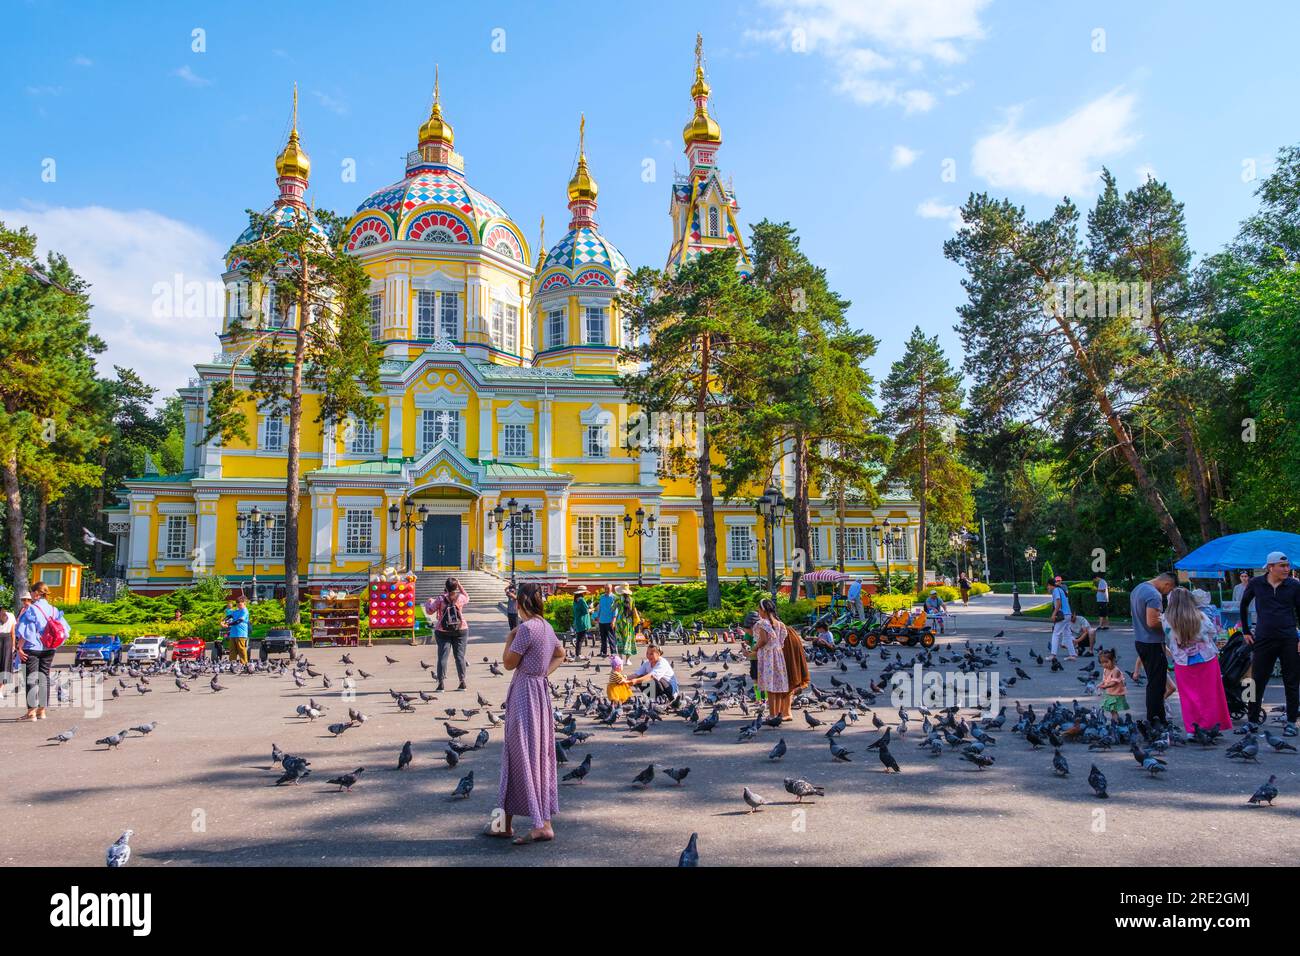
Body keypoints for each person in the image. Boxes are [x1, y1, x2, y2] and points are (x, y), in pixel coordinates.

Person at [493, 581, 564, 845]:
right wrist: (543, 673)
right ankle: (509, 824)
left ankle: (537, 825)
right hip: (539, 691)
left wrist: (509, 640)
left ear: (521, 602)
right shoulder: (546, 626)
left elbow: (509, 663)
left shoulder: (525, 629)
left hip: (524, 692)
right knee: (537, 754)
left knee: (517, 754)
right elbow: (561, 653)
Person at [1239, 552, 1300, 735]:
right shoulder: (1256, 583)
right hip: (1264, 638)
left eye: (1288, 566)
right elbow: (1243, 605)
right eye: (1282, 566)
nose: (1287, 569)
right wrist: (1246, 631)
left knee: (1291, 681)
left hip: (1289, 638)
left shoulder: (1294, 585)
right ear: (1270, 567)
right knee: (1254, 680)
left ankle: (1290, 722)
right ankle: (1251, 720)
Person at [1162, 586, 1233, 739]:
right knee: (1210, 693)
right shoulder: (1200, 616)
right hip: (1206, 658)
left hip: (1182, 661)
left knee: (1188, 696)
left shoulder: (1167, 620)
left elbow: (1168, 636)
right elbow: (1212, 632)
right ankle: (1211, 725)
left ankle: (1192, 729)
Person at [1130, 571, 1178, 727]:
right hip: (1152, 643)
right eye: (1169, 590)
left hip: (1140, 640)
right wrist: (1169, 624)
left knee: (1153, 681)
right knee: (1157, 683)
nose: (1167, 594)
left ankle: (1156, 717)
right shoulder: (1154, 595)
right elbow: (1152, 622)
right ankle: (1156, 719)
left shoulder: (1138, 589)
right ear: (1167, 584)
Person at [15, 585, 64, 721]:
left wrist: (19, 648)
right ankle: (42, 712)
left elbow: (26, 632)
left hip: (32, 648)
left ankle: (31, 712)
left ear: (37, 593)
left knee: (31, 679)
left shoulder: (31, 609)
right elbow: (64, 629)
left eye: (31, 591)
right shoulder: (54, 610)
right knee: (44, 679)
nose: (30, 594)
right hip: (49, 648)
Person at [748, 598, 791, 720]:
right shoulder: (780, 624)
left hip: (768, 656)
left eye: (759, 608)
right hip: (778, 655)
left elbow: (763, 640)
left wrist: (755, 648)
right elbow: (781, 641)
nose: (758, 611)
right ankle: (777, 714)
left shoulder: (763, 623)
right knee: (777, 686)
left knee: (770, 687)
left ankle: (772, 715)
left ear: (764, 610)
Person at [432, 577, 469, 692]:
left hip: (443, 630)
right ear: (456, 587)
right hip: (460, 629)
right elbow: (467, 597)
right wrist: (460, 585)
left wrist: (429, 602)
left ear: (446, 587)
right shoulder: (461, 598)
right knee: (460, 656)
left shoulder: (440, 599)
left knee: (442, 657)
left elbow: (429, 610)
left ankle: (441, 684)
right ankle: (462, 682)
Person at [1096, 648, 1128, 723]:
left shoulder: (1116, 671)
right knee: (1112, 710)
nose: (1104, 664)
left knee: (1113, 710)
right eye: (1102, 663)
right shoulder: (1105, 670)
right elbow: (1105, 680)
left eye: (1106, 662)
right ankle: (1116, 721)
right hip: (1110, 693)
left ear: (1113, 660)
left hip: (1116, 694)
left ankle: (1116, 722)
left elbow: (1114, 683)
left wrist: (1104, 686)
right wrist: (1101, 684)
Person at [1048, 575, 1075, 662]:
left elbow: (1058, 603)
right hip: (1068, 614)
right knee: (1067, 634)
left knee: (1055, 634)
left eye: (1048, 586)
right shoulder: (1061, 589)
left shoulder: (1055, 590)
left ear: (1050, 585)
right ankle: (1072, 655)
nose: (1047, 588)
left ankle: (1053, 655)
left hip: (1062, 615)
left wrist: (1053, 614)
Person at [224, 595, 250, 665]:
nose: (238, 605)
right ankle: (233, 665)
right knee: (232, 650)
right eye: (237, 604)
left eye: (240, 604)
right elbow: (229, 616)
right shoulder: (236, 611)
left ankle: (244, 664)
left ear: (244, 603)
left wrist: (229, 624)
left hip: (241, 634)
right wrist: (224, 621)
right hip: (233, 633)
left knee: (241, 649)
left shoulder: (245, 611)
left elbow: (239, 621)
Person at [613, 586, 638, 659]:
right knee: (628, 640)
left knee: (619, 640)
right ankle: (627, 660)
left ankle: (620, 658)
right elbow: (634, 610)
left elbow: (612, 609)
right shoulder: (632, 600)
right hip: (628, 622)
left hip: (619, 622)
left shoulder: (618, 600)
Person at [596, 583, 617, 656]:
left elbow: (615, 609)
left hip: (609, 620)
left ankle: (613, 652)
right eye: (605, 588)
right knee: (603, 638)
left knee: (611, 637)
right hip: (602, 620)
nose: (606, 590)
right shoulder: (602, 597)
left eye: (608, 588)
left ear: (611, 589)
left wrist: (614, 620)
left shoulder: (614, 597)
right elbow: (600, 607)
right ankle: (603, 652)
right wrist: (598, 616)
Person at [570, 587, 592, 658]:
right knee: (580, 639)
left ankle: (577, 654)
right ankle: (578, 655)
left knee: (579, 638)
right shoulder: (582, 600)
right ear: (582, 593)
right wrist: (592, 608)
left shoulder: (575, 600)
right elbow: (586, 611)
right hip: (583, 622)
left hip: (578, 622)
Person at [0, 607, 14, 699]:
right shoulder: (11, 615)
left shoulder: (10, 616)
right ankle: (0, 690)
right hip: (8, 641)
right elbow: (13, 632)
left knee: (3, 664)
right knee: (5, 665)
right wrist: (13, 646)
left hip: (5, 640)